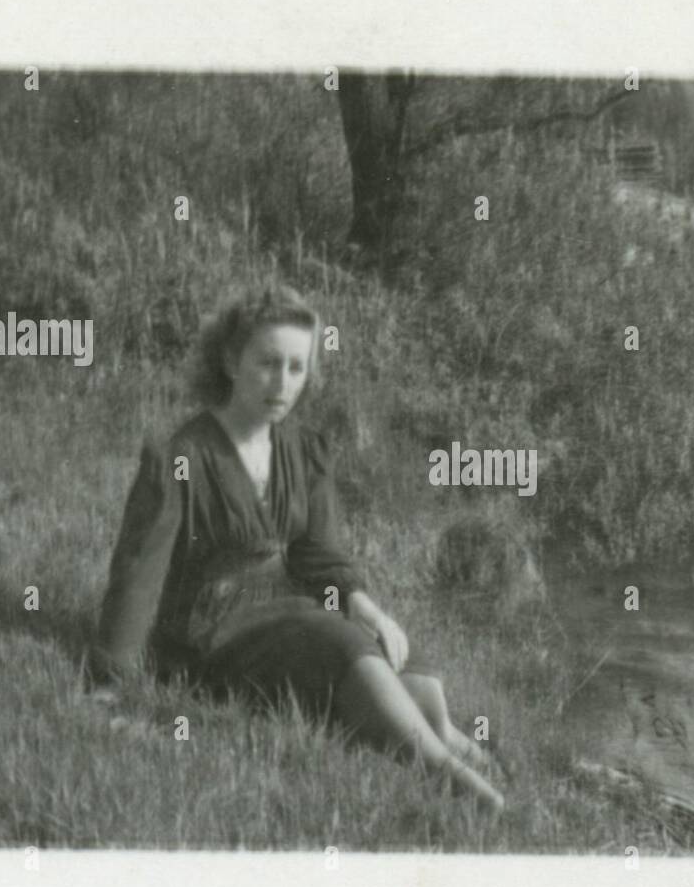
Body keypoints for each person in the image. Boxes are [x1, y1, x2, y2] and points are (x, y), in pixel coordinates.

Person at [86, 282, 505, 812]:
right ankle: (442, 770)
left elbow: (317, 556)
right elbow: (138, 576)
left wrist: (362, 601)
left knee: (381, 641)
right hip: (212, 631)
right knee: (335, 641)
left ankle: (443, 731)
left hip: (285, 603)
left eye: (296, 368)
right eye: (268, 363)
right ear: (231, 359)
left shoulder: (302, 450)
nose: (282, 383)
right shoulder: (182, 455)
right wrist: (112, 682)